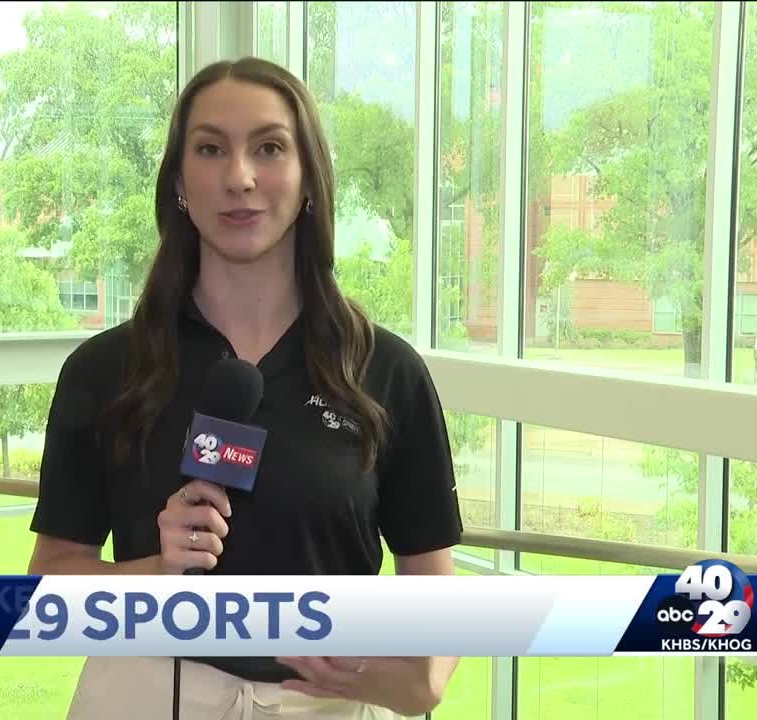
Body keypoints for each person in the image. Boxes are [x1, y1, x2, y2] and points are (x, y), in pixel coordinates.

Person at [27, 56, 463, 720]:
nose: (239, 177)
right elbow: (48, 593)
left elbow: (433, 612)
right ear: (178, 182)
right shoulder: (105, 370)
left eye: (269, 147)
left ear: (309, 179)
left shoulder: (386, 374)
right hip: (147, 693)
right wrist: (154, 576)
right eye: (210, 149)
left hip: (327, 702)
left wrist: (398, 679)